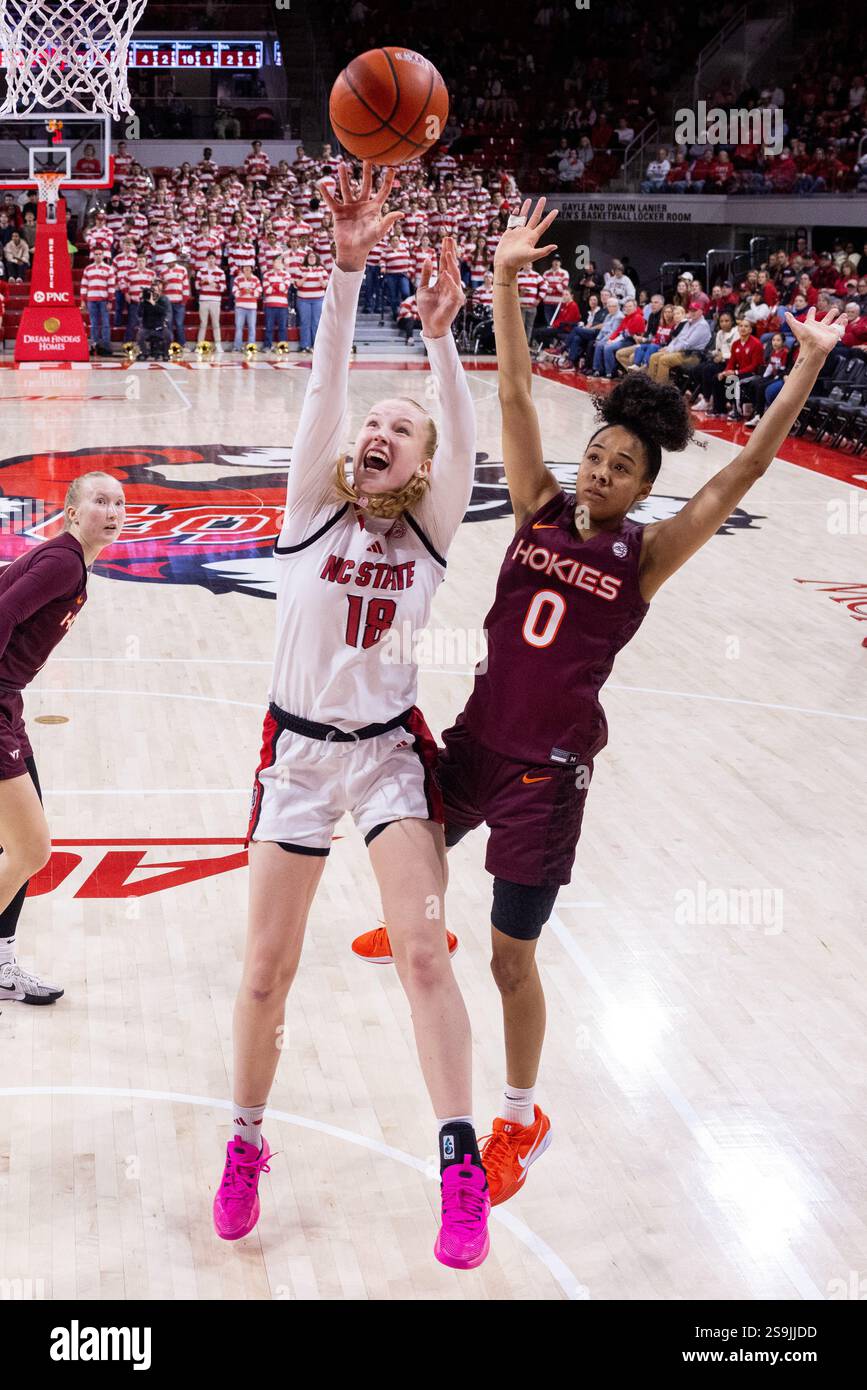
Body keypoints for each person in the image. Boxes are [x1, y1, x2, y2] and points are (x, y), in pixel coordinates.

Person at [352, 196, 846, 1207]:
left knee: (508, 961)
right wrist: (502, 278)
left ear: (640, 488)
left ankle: (522, 1120)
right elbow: (521, 397)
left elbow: (747, 467)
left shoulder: (647, 554)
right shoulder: (540, 498)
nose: (604, 468)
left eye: (623, 467)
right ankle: (420, 923)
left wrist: (803, 365)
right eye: (601, 454)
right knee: (402, 835)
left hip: (547, 773)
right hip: (481, 739)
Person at [213, 161, 491, 1271]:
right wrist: (346, 268)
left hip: (382, 761)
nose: (378, 429)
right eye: (371, 423)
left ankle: (459, 1160)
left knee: (424, 951)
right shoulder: (309, 511)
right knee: (266, 970)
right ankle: (243, 1143)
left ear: (423, 468)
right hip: (296, 758)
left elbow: (463, 435)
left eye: (401, 429)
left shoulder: (426, 535)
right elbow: (325, 389)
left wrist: (437, 344)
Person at [0, 472, 126, 1003]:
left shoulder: (68, 561)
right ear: (72, 512)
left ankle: (1, 962)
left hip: (9, 706)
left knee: (17, 841)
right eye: (100, 501)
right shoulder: (64, 562)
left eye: (120, 502)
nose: (113, 510)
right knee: (32, 849)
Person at [137, 281, 171, 360]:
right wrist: (141, 301)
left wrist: (153, 303)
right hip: (147, 327)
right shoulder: (145, 301)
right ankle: (144, 353)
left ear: (159, 292)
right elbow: (139, 313)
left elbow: (163, 311)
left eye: (155, 290)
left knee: (169, 336)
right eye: (152, 290)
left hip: (159, 328)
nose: (154, 292)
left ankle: (166, 354)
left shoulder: (163, 300)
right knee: (140, 335)